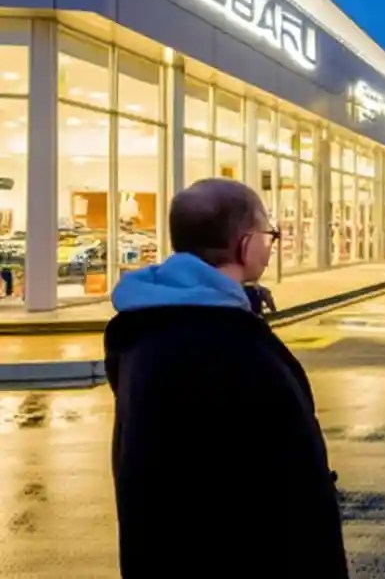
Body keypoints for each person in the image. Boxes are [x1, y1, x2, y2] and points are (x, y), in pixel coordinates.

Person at [104, 178, 347, 578]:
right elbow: (286, 491)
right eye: (269, 234)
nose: (271, 245)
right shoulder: (229, 347)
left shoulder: (146, 329)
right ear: (245, 244)